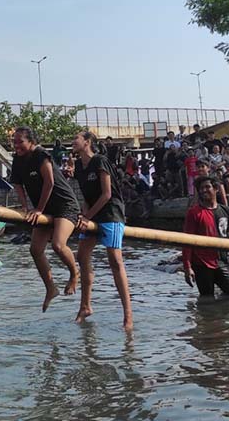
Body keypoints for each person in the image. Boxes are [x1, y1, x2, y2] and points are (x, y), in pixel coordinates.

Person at [10, 127, 81, 311]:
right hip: (44, 209)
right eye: (14, 142)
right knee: (35, 250)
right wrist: (25, 207)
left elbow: (49, 182)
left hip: (64, 206)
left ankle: (74, 273)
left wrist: (39, 209)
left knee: (58, 245)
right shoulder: (17, 159)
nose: (16, 145)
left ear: (31, 141)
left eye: (20, 142)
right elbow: (17, 184)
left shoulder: (41, 155)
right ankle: (50, 288)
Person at [70, 131, 133, 332]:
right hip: (92, 214)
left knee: (115, 260)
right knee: (82, 255)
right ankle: (85, 306)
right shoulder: (79, 166)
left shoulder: (100, 161)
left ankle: (128, 316)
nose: (73, 141)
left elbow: (107, 194)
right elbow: (87, 197)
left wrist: (88, 217)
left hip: (111, 212)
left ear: (87, 142)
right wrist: (84, 214)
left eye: (76, 138)